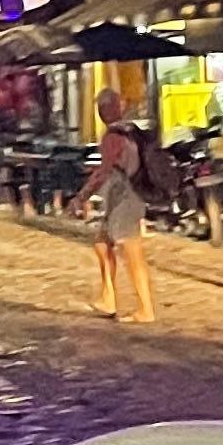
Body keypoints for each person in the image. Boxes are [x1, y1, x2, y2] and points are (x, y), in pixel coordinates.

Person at [85, 112, 156, 323]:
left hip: (127, 199)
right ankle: (109, 298)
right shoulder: (129, 131)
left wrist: (82, 196)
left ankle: (146, 309)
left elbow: (104, 172)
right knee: (101, 243)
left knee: (133, 254)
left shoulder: (114, 135)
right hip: (119, 199)